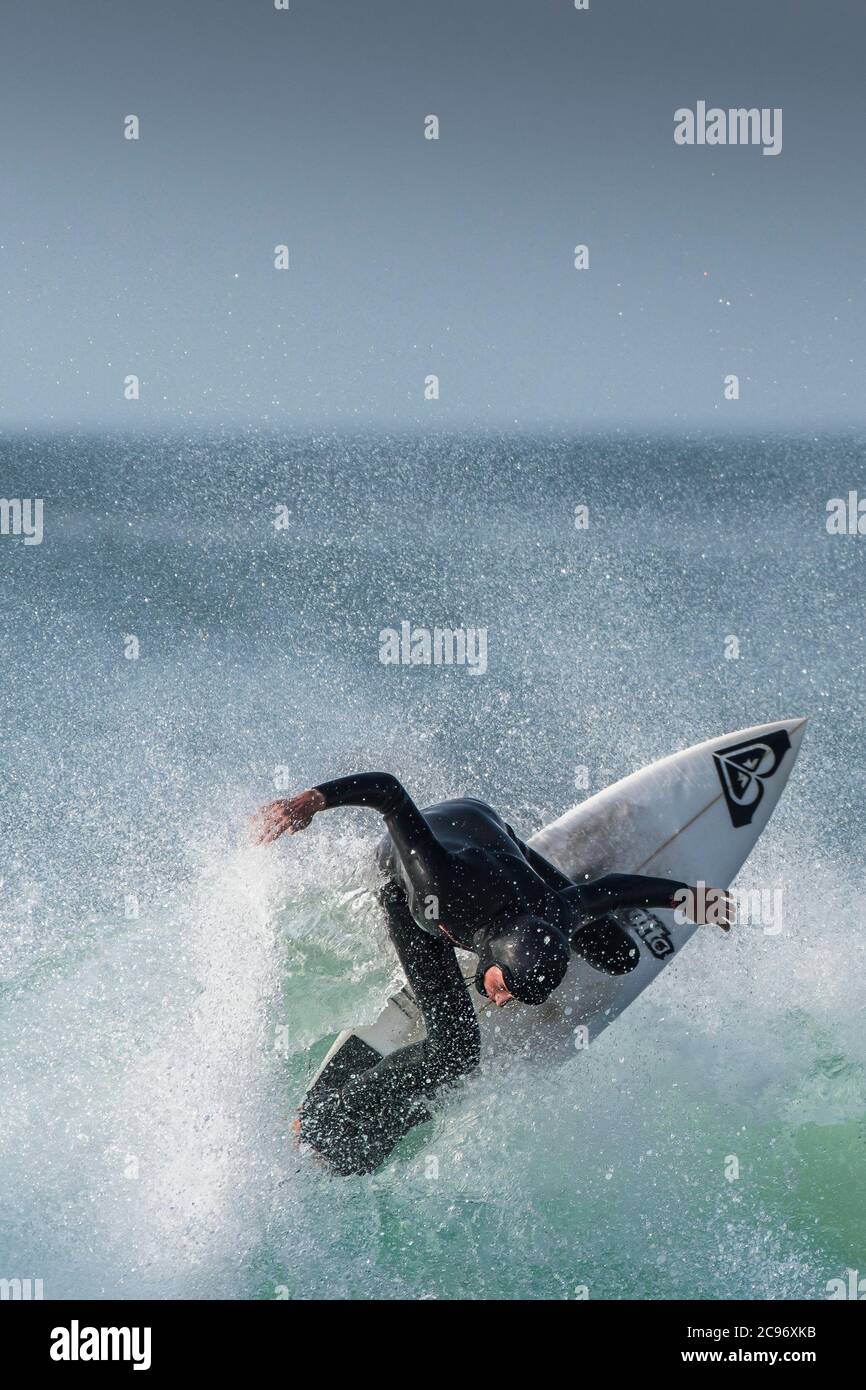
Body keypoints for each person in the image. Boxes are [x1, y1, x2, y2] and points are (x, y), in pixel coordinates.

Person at [254, 772, 731, 1174]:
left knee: (617, 955)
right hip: (420, 886)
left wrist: (689, 898)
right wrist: (310, 802)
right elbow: (389, 791)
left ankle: (533, 865)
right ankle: (327, 1114)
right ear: (495, 960)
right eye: (503, 989)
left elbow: (613, 888)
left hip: (495, 839)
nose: (498, 1002)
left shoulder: (555, 912)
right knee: (455, 1053)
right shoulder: (435, 883)